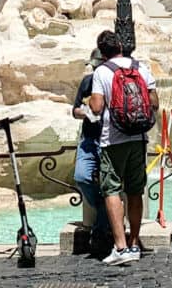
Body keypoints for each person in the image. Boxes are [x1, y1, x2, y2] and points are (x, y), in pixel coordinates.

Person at [87, 29, 158, 266]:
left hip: (113, 139)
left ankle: (121, 247)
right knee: (135, 190)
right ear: (120, 45)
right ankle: (135, 243)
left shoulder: (102, 72)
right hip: (138, 138)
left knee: (112, 190)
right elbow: (155, 102)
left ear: (101, 52)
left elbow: (96, 108)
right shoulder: (141, 67)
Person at [71, 48, 109, 256]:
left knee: (110, 185)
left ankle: (100, 230)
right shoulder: (87, 82)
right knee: (82, 177)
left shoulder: (111, 82)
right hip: (89, 138)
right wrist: (83, 112)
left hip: (109, 139)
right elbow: (74, 108)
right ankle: (103, 208)